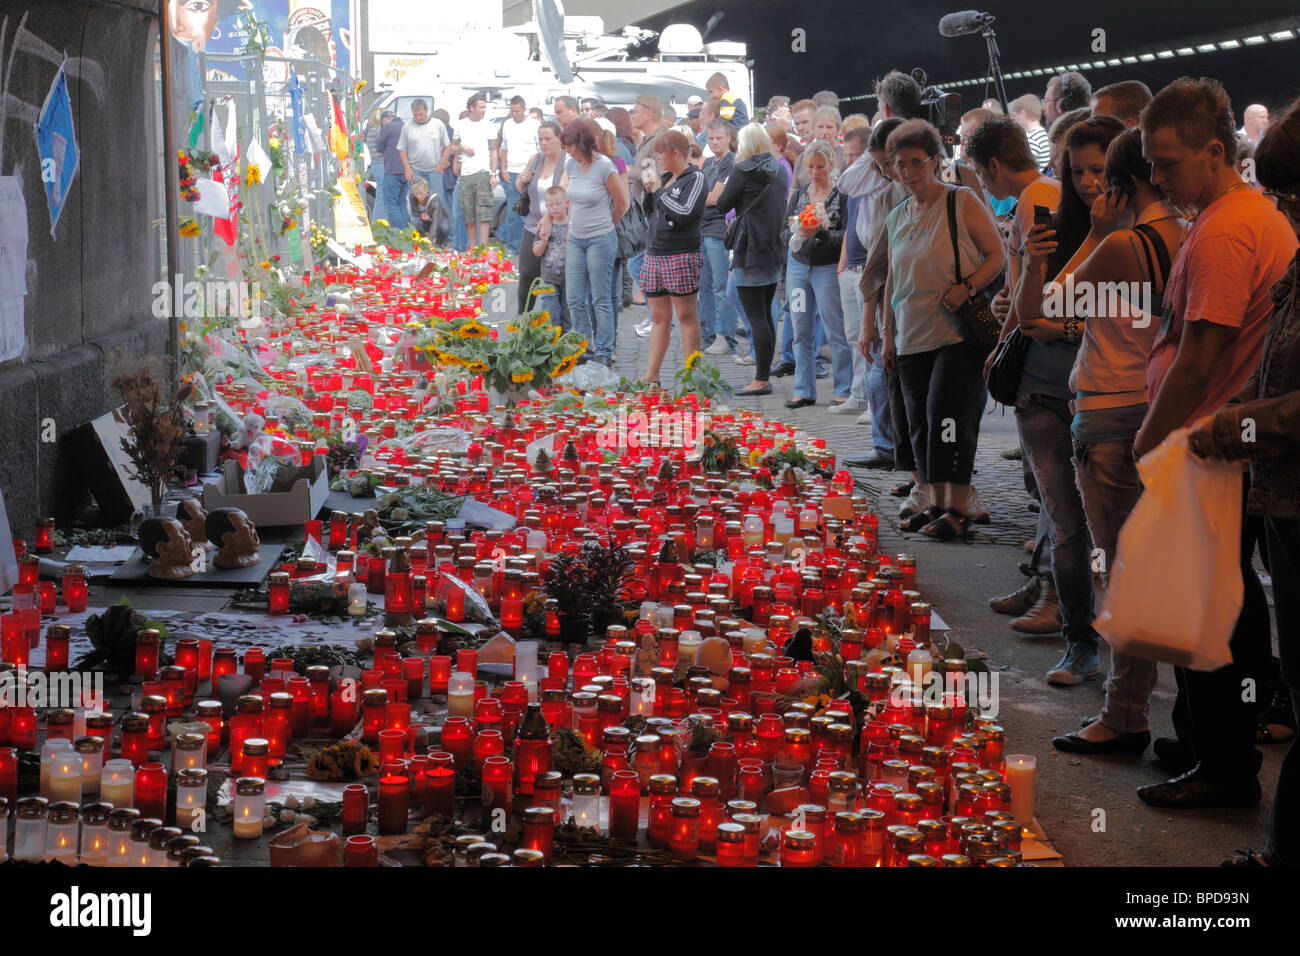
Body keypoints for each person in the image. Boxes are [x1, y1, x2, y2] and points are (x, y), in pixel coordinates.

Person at [1131, 77, 1298, 810]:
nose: (1157, 179)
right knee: (1227, 610)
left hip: (1214, 448)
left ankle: (1223, 765)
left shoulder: (1231, 227)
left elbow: (1200, 352)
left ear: (1212, 151)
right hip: (1227, 447)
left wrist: (1150, 437)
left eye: (1166, 164)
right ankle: (1207, 738)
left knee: (1211, 618)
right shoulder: (1225, 215)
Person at [1013, 126, 1187, 749]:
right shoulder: (1184, 235)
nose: (1089, 188)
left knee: (1121, 569)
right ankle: (1162, 715)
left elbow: (1038, 313)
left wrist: (1080, 238)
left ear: (1119, 184)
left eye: (1100, 178)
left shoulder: (1124, 245)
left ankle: (1123, 716)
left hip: (1112, 413)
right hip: (1160, 408)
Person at [1187, 95, 1300, 865]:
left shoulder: (1235, 227)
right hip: (1282, 493)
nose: (1287, 208)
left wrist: (1242, 424)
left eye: (1295, 194)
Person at [1009, 115, 1126, 684]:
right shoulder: (1053, 227)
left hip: (1104, 400)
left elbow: (1128, 316)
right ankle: (1078, 642)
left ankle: (1122, 653)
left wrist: (1070, 326)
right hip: (1042, 391)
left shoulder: (1136, 233)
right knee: (1065, 525)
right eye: (1076, 170)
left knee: (1110, 535)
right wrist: (1031, 260)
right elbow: (1031, 315)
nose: (1086, 182)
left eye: (1099, 169)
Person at [966, 114, 1072, 632]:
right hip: (1036, 347)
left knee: (1053, 486)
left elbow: (1041, 281)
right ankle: (1043, 579)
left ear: (993, 166)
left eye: (982, 176)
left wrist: (1008, 334)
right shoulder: (1043, 195)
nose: (984, 187)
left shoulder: (1036, 198)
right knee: (1045, 483)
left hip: (1045, 361)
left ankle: (1056, 595)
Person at [882, 119, 1005, 539]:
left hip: (957, 334)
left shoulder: (961, 201)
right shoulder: (897, 215)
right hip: (910, 336)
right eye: (900, 164)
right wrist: (886, 333)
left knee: (947, 418)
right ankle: (934, 503)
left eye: (917, 162)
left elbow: (997, 256)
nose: (909, 172)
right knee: (919, 422)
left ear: (935, 161)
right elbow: (892, 282)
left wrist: (966, 286)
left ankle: (956, 510)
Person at [850, 117, 909, 469]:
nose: (887, 172)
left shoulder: (955, 188)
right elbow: (878, 266)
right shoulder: (887, 195)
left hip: (928, 309)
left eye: (889, 163)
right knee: (881, 375)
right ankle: (893, 451)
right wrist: (871, 324)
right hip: (893, 304)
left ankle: (903, 454)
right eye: (880, 166)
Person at [718, 123, 789, 395]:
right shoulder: (780, 170)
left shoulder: (742, 170)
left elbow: (723, 204)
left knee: (756, 316)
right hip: (773, 247)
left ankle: (761, 379)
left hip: (749, 248)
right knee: (766, 315)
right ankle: (763, 374)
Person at [781, 140, 852, 410]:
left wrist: (819, 232)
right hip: (799, 266)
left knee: (836, 328)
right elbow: (782, 232)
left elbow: (846, 236)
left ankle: (844, 389)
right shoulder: (800, 193)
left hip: (826, 269)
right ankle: (803, 390)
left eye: (820, 166)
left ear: (831, 165)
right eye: (810, 167)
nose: (814, 172)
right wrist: (795, 230)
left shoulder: (840, 196)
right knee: (800, 328)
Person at [640, 130, 707, 385]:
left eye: (661, 153)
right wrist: (650, 192)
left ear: (676, 154)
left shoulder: (696, 177)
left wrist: (660, 193)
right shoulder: (666, 178)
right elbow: (650, 211)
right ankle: (651, 375)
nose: (657, 158)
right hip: (655, 252)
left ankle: (693, 377)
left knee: (686, 317)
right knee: (659, 318)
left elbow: (685, 212)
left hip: (681, 254)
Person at [562, 120, 630, 368]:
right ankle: (582, 346)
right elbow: (570, 199)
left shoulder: (604, 166)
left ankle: (603, 348)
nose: (568, 151)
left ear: (583, 143)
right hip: (576, 239)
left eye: (571, 146)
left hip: (600, 238)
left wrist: (607, 226)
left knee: (600, 297)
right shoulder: (571, 165)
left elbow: (622, 203)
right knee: (574, 297)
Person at [515, 121, 567, 313]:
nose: (543, 143)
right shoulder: (536, 159)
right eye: (540, 139)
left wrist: (549, 218)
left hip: (558, 227)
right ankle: (523, 318)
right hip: (533, 224)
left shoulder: (566, 161)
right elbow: (520, 187)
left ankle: (559, 323)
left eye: (548, 139)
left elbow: (563, 191)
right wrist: (522, 181)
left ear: (558, 138)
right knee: (527, 273)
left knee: (556, 279)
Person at [700, 121, 738, 355]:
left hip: (718, 230)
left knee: (722, 287)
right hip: (703, 229)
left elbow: (714, 198)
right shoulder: (708, 163)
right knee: (704, 286)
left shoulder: (732, 163)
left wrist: (701, 195)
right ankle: (707, 333)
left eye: (719, 138)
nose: (714, 142)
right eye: (711, 138)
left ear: (729, 139)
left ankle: (726, 335)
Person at [445, 93, 499, 247]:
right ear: (471, 108)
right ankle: (472, 246)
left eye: (485, 107)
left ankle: (482, 248)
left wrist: (493, 174)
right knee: (467, 213)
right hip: (465, 175)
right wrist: (458, 155)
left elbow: (494, 150)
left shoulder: (489, 125)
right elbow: (453, 146)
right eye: (481, 107)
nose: (484, 110)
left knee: (484, 212)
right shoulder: (461, 124)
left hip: (483, 172)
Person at [498, 95, 541, 257]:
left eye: (517, 111)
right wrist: (503, 168)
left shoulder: (534, 125)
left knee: (531, 212)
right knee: (512, 212)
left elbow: (540, 149)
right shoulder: (508, 124)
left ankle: (530, 246)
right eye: (512, 111)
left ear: (524, 109)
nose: (514, 114)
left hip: (529, 173)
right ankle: (513, 246)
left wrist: (534, 170)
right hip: (511, 172)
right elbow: (504, 147)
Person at [398, 99, 452, 226]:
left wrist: (441, 165)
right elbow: (401, 149)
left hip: (434, 170)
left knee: (438, 201)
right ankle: (419, 234)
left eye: (420, 114)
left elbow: (448, 147)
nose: (418, 117)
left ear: (426, 111)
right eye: (415, 115)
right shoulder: (408, 126)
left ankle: (443, 235)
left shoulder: (437, 124)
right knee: (416, 202)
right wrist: (408, 169)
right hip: (416, 169)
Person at [533, 185, 571, 330]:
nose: (554, 208)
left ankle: (566, 341)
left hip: (569, 277)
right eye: (551, 205)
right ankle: (551, 341)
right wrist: (543, 241)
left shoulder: (571, 224)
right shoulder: (545, 225)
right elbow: (536, 252)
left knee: (568, 313)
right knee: (550, 310)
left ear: (566, 203)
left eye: (558, 204)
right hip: (549, 277)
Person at [374, 110, 408, 228]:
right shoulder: (406, 126)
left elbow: (378, 146)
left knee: (391, 204)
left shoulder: (388, 127)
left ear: (385, 120)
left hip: (392, 169)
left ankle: (400, 233)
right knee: (402, 203)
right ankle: (407, 234)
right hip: (406, 170)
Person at [1009, 94, 1052, 173]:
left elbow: (1025, 171)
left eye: (1014, 116)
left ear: (1023, 113)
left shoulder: (1030, 139)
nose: (1012, 120)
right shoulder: (1044, 134)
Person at [407, 178, 447, 243]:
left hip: (437, 220)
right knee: (414, 221)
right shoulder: (412, 197)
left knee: (444, 227)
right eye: (416, 194)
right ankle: (422, 239)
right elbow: (414, 213)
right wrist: (420, 215)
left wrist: (430, 239)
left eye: (421, 193)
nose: (419, 196)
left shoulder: (435, 198)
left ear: (426, 190)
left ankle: (438, 243)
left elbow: (436, 220)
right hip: (423, 222)